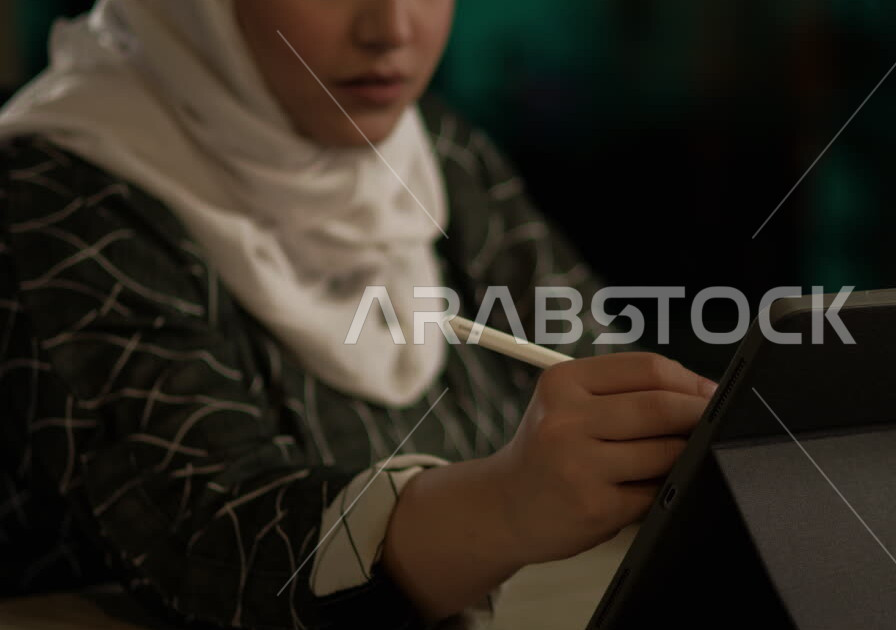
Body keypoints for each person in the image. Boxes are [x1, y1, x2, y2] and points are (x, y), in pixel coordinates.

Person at [0, 1, 716, 628]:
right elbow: (211, 542)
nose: (392, 28)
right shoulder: (57, 194)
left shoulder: (431, 151)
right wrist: (505, 504)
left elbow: (590, 355)